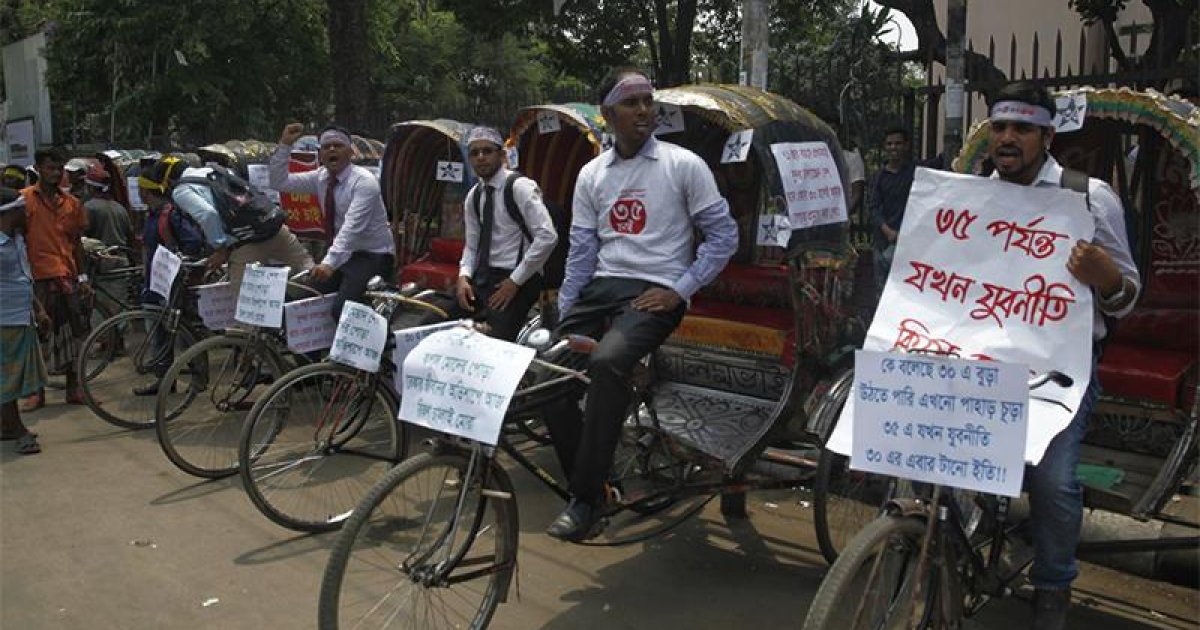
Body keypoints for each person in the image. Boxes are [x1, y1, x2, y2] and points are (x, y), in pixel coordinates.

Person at [542, 67, 739, 541]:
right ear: (607, 114)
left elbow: (723, 235)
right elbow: (582, 254)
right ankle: (596, 484)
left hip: (656, 293)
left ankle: (584, 502)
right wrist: (567, 317)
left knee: (608, 362)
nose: (645, 110)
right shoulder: (592, 174)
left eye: (649, 101)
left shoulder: (682, 164)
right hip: (601, 289)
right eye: (631, 103)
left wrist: (681, 289)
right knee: (546, 374)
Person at [986, 81, 1139, 630]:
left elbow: (1127, 299)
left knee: (1052, 481)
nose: (1007, 139)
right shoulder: (970, 196)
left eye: (1021, 128)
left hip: (1063, 368)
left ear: (1047, 136)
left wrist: (1108, 279)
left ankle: (1052, 583)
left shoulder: (1088, 198)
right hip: (990, 359)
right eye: (999, 127)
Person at [269, 123, 394, 320]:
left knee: (341, 310)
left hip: (372, 255)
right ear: (320, 155)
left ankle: (379, 346)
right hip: (343, 254)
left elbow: (351, 228)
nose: (332, 150)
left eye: (338, 145)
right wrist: (285, 145)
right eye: (326, 147)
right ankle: (314, 350)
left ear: (350, 151)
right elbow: (278, 182)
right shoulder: (320, 178)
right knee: (304, 302)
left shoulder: (364, 182)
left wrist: (329, 263)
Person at [455, 126, 557, 341]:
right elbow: (472, 245)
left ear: (501, 155)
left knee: (493, 338)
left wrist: (515, 281)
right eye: (474, 153)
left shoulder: (519, 187)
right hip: (483, 277)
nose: (480, 158)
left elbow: (547, 236)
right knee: (435, 319)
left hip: (519, 276)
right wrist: (463, 277)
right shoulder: (474, 195)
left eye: (487, 151)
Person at [19, 147, 91, 410]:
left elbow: (77, 244)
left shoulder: (72, 204)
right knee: (38, 337)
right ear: (38, 168)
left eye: (59, 168)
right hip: (36, 278)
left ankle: (74, 388)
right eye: (50, 168)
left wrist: (83, 277)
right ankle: (36, 392)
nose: (55, 173)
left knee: (73, 333)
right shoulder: (24, 200)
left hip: (67, 275)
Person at [173, 164, 312, 297]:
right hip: (274, 228)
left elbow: (208, 214)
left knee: (248, 307)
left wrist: (220, 249)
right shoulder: (220, 170)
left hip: (245, 246)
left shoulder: (181, 190)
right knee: (310, 274)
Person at [131, 157, 208, 396]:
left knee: (188, 331)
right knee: (159, 333)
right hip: (156, 284)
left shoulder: (171, 214)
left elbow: (193, 243)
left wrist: (179, 262)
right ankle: (163, 380)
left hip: (175, 285)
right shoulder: (153, 216)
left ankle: (199, 379)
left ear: (145, 191)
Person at [0, 193, 48, 454]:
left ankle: (7, 426)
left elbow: (23, 277)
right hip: (4, 319)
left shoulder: (17, 239)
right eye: (22, 210)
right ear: (9, 212)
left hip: (22, 315)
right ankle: (18, 429)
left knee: (12, 376)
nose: (27, 214)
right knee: (8, 378)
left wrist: (38, 310)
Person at [866, 125, 916, 299]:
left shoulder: (916, 172)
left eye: (898, 143)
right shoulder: (878, 177)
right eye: (890, 144)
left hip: (908, 244)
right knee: (883, 293)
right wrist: (888, 231)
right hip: (883, 244)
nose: (894, 148)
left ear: (906, 145)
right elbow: (873, 207)